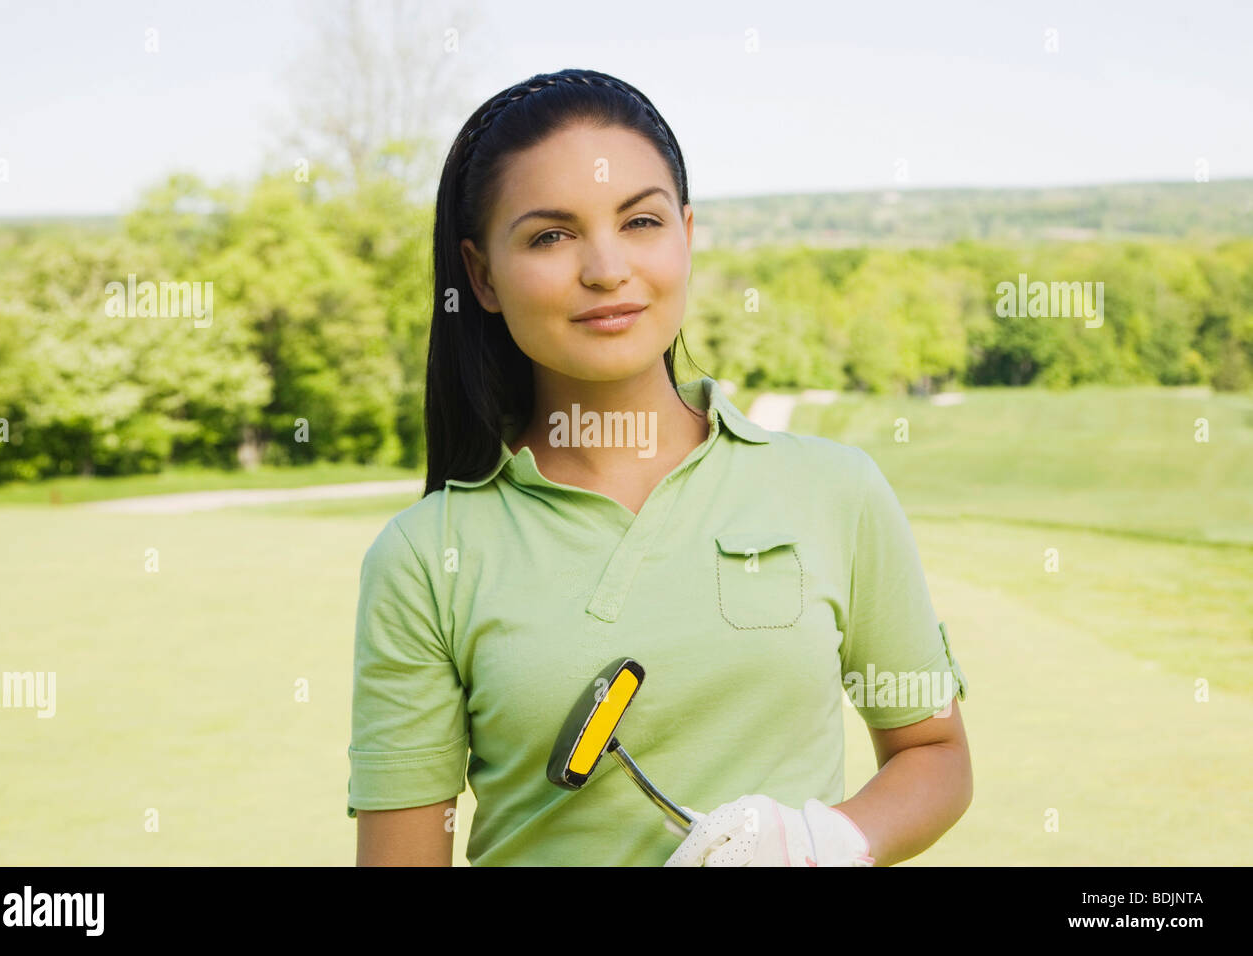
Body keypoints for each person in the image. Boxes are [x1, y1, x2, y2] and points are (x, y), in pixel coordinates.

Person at [348, 67, 972, 866]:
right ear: (482, 275)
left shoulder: (836, 490)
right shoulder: (421, 559)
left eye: (639, 221)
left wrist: (818, 844)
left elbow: (936, 754)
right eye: (550, 235)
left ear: (684, 231)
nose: (606, 269)